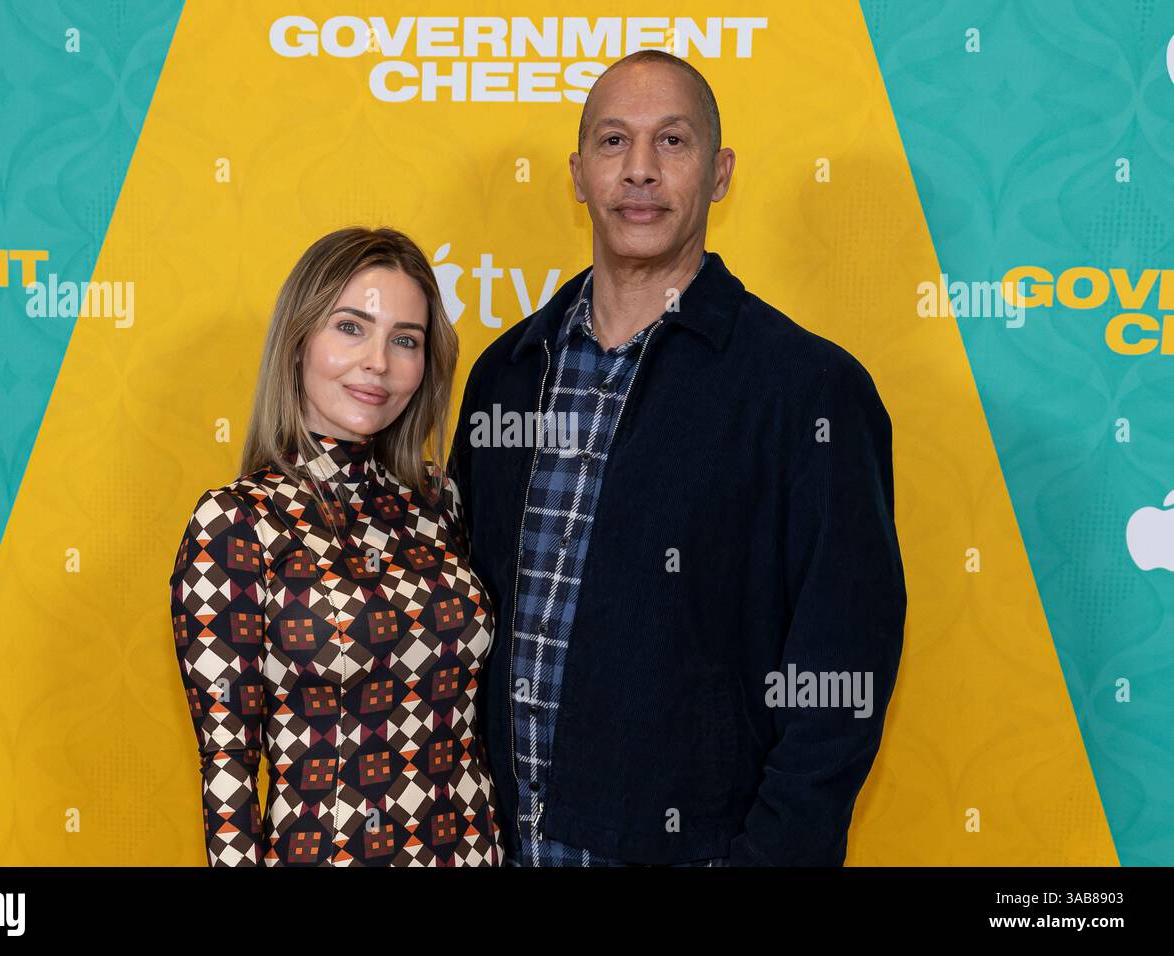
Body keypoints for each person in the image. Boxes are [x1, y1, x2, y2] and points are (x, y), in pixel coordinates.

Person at [448, 50, 907, 866]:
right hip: (496, 845)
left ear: (720, 172)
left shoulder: (808, 390)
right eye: (614, 141)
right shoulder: (507, 375)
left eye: (673, 142)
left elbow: (844, 674)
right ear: (579, 173)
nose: (641, 171)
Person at [169, 226, 500, 866]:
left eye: (405, 340)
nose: (378, 360)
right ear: (298, 341)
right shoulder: (237, 523)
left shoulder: (438, 501)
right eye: (351, 327)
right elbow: (228, 774)